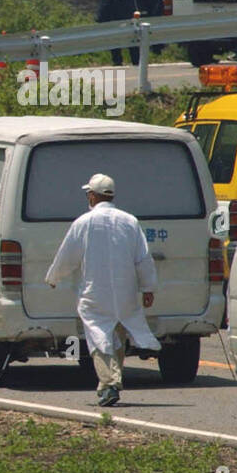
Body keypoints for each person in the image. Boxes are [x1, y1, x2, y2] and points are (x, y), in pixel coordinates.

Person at [44, 173, 160, 407]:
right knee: (117, 336)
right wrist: (148, 288)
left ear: (93, 196)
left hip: (95, 293)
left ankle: (109, 384)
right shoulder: (130, 221)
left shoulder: (84, 223)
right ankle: (109, 382)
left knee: (98, 337)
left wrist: (53, 277)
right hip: (125, 292)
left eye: (89, 193)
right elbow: (143, 259)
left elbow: (67, 256)